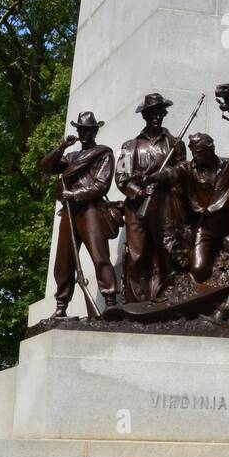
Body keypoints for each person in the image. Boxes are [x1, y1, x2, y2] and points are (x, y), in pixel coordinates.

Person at [39, 110, 120, 317]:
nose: (84, 133)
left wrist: (73, 194)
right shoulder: (70, 157)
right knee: (63, 261)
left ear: (94, 131)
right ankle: (61, 305)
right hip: (69, 212)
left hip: (90, 209)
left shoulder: (103, 153)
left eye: (88, 130)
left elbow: (101, 186)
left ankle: (110, 301)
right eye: (81, 129)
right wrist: (62, 147)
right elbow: (45, 166)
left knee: (100, 255)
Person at [116, 93, 187, 302]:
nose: (157, 116)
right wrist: (138, 191)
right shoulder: (130, 146)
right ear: (145, 116)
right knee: (137, 254)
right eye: (152, 113)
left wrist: (165, 175)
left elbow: (183, 171)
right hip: (138, 205)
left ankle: (168, 295)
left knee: (167, 250)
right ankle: (138, 300)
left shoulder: (175, 143)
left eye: (160, 112)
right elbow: (121, 177)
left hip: (166, 202)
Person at [145, 132, 229, 283]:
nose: (195, 156)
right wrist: (152, 177)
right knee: (198, 270)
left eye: (198, 153)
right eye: (193, 153)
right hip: (206, 228)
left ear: (210, 150)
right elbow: (171, 172)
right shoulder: (187, 168)